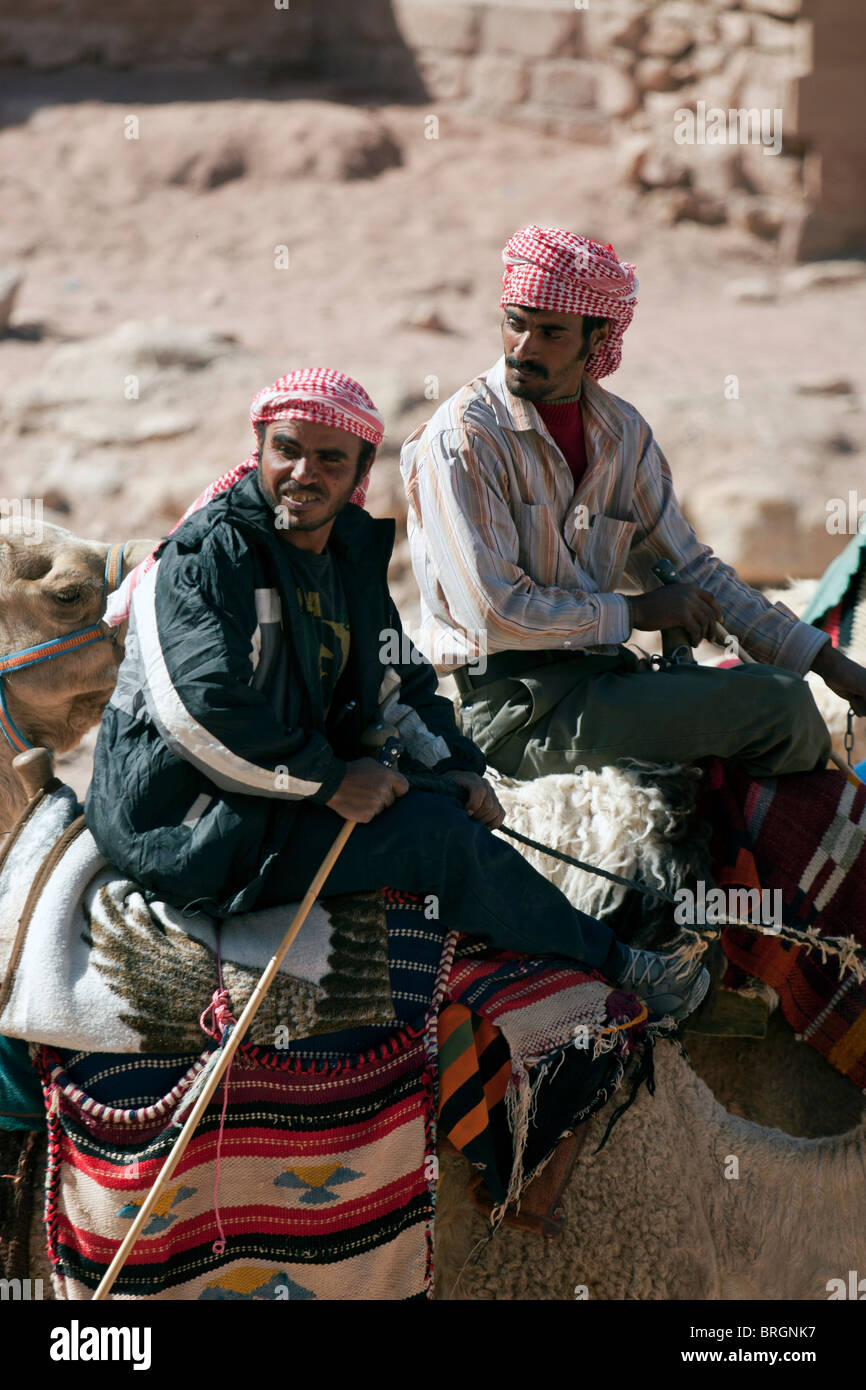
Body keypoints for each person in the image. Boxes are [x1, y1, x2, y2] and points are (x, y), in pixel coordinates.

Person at [85, 367, 708, 1021]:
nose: (304, 473)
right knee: (432, 838)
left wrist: (457, 769)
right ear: (260, 452)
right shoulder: (205, 560)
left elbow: (397, 683)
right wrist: (330, 781)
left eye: (329, 460)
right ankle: (619, 970)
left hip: (266, 793)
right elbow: (198, 717)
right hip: (186, 819)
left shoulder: (345, 559)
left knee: (449, 806)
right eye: (287, 451)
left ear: (358, 476)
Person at [399, 225, 866, 781]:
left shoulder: (622, 433)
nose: (523, 348)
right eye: (515, 324)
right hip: (517, 712)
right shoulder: (464, 437)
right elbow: (493, 614)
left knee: (778, 689)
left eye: (550, 332)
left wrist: (831, 666)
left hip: (606, 682)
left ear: (596, 340)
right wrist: (637, 612)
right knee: (779, 709)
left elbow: (694, 569)